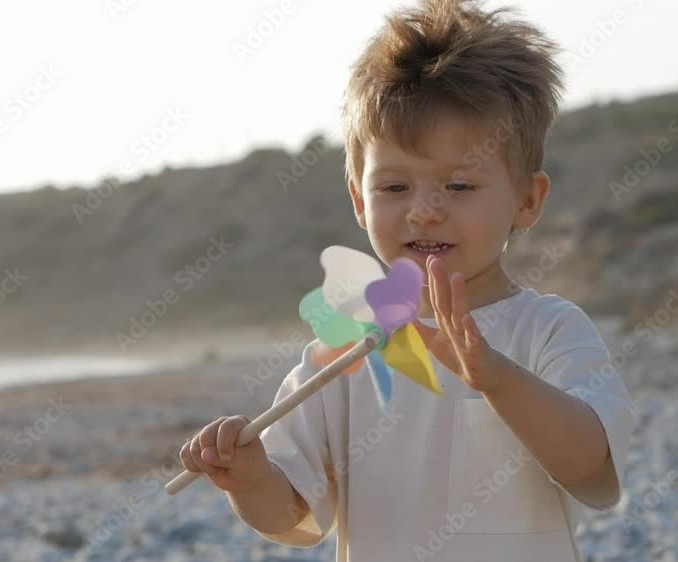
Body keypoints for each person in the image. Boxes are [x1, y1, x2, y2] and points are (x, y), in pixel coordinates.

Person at [178, 0, 636, 560]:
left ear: (528, 198)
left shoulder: (547, 329)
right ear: (358, 198)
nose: (423, 211)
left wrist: (494, 376)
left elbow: (591, 465)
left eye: (460, 186)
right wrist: (249, 479)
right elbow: (295, 515)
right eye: (394, 188)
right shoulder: (341, 352)